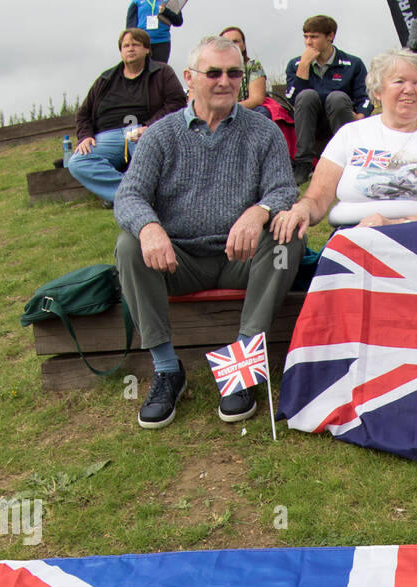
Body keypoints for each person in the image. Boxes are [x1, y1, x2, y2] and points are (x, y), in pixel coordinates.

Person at [113, 35, 302, 429]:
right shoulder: (162, 135)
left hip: (241, 258)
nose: (225, 81)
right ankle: (167, 369)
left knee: (288, 235)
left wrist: (260, 210)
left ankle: (243, 364)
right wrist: (149, 227)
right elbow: (128, 195)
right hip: (178, 261)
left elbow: (284, 189)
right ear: (189, 78)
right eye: (213, 72)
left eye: (234, 73)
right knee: (130, 243)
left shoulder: (262, 131)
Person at [272, 49, 417, 240]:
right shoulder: (350, 134)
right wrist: (302, 209)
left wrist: (399, 224)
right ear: (377, 91)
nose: (410, 89)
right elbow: (317, 198)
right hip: (355, 236)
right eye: (399, 81)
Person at [68, 29, 186, 205]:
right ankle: (130, 195)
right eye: (126, 45)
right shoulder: (106, 79)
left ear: (147, 49)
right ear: (121, 51)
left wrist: (149, 126)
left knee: (142, 150)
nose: (130, 49)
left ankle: (124, 196)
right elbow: (84, 112)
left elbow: (176, 102)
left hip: (143, 131)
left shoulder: (162, 72)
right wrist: (85, 136)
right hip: (108, 135)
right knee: (77, 162)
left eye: (136, 44)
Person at [285, 15, 370, 183]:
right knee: (306, 96)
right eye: (306, 36)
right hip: (310, 125)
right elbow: (293, 100)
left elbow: (365, 98)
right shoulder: (295, 65)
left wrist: (360, 116)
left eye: (314, 37)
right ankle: (304, 164)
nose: (308, 42)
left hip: (341, 120)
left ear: (330, 36)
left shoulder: (353, 63)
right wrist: (303, 66)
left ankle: (348, 161)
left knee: (337, 97)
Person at [220, 27, 268, 110]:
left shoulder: (253, 65)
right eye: (227, 42)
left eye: (235, 41)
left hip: (247, 110)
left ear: (244, 45)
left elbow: (257, 99)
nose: (231, 45)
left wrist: (230, 109)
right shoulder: (211, 69)